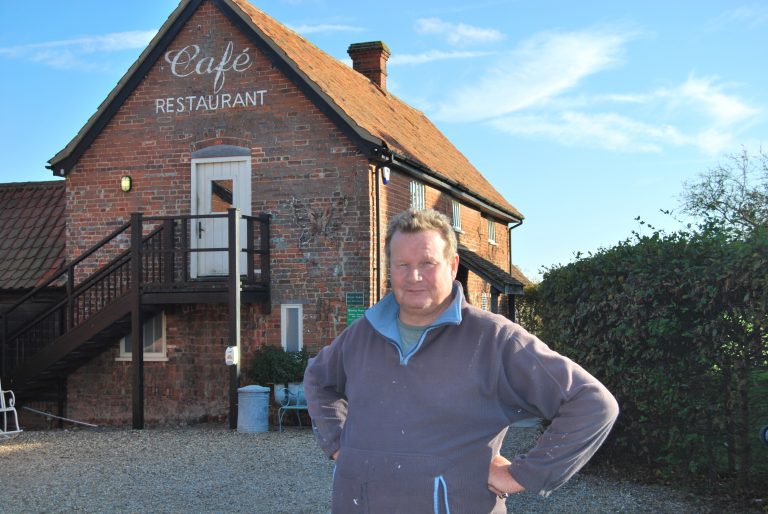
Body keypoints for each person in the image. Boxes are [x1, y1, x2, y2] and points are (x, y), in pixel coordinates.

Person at [304, 208, 619, 513]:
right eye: (402, 264)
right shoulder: (363, 332)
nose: (413, 276)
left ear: (452, 265)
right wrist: (338, 443)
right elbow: (319, 379)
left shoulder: (495, 338)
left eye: (427, 263)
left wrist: (523, 474)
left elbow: (592, 403)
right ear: (390, 269)